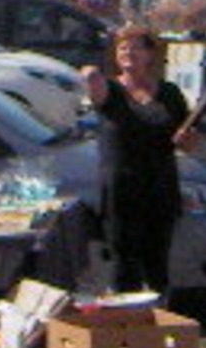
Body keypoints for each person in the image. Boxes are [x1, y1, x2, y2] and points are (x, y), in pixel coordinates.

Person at [82, 25, 195, 300]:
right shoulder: (110, 90)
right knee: (124, 266)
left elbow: (188, 143)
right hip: (121, 190)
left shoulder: (169, 93)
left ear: (150, 54)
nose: (128, 53)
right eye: (122, 48)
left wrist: (186, 139)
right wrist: (91, 72)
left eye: (135, 47)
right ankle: (128, 328)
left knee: (158, 264)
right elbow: (88, 80)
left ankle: (158, 324)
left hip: (160, 187)